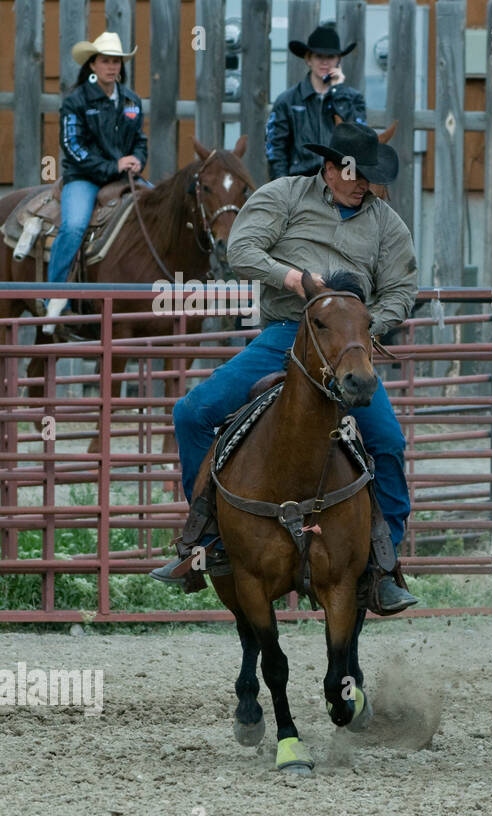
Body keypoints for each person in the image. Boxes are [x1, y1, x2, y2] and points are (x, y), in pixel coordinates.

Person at [150, 124, 419, 613]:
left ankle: (383, 563)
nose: (365, 186)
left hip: (346, 344)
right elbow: (243, 249)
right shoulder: (286, 196)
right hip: (285, 335)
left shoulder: (386, 223)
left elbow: (402, 288)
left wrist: (360, 324)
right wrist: (293, 278)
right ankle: (206, 539)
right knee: (192, 412)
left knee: (389, 443)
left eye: (371, 179)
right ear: (332, 167)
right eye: (358, 176)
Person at [44, 32, 147, 326]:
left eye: (116, 61)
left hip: (123, 175)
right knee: (74, 226)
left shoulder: (131, 101)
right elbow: (73, 148)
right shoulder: (76, 101)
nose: (112, 67)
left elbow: (139, 139)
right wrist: (113, 165)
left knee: (158, 208)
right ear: (92, 64)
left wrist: (138, 159)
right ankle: (52, 295)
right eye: (105, 61)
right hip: (84, 177)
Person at [266, 23, 367, 180]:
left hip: (342, 183)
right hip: (300, 182)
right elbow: (275, 149)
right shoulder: (286, 101)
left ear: (339, 60)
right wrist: (283, 187)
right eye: (319, 56)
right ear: (308, 59)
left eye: (330, 57)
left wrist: (338, 93)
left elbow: (359, 140)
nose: (325, 62)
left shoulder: (353, 98)